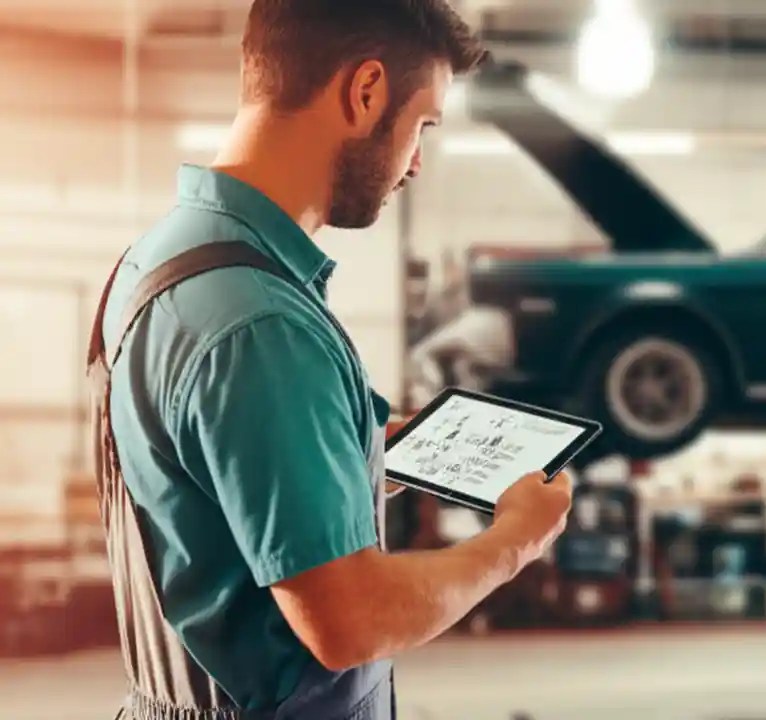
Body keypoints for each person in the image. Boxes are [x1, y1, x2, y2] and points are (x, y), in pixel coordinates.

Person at [87, 2, 573, 718]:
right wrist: (511, 544)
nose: (414, 162)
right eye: (423, 126)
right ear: (366, 91)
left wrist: (366, 453)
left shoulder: (156, 262)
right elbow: (351, 622)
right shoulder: (262, 324)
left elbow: (217, 475)